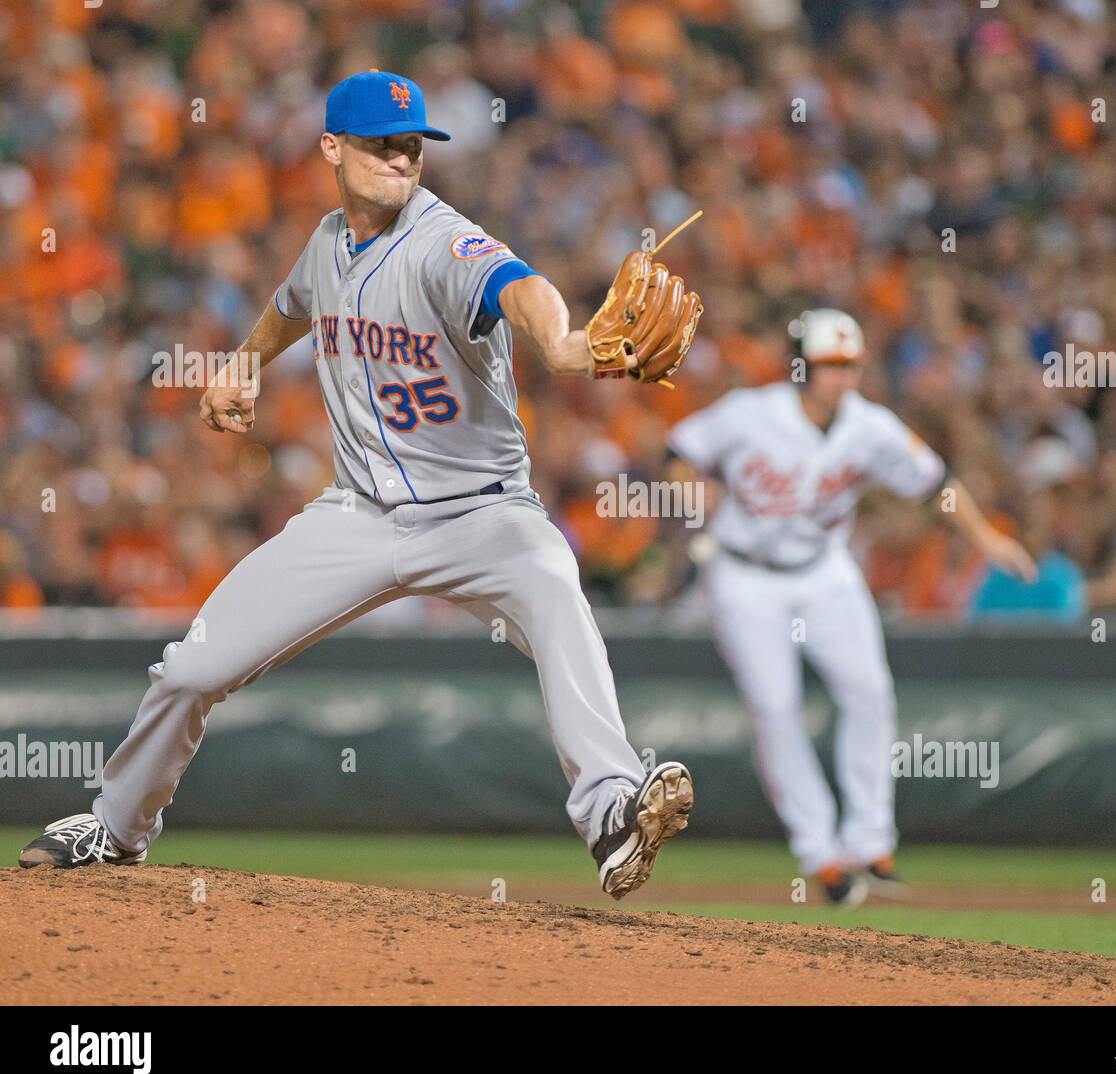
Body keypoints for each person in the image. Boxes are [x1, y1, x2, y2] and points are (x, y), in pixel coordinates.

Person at [19, 70, 694, 900]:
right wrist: (243, 364)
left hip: (481, 514)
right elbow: (292, 303)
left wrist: (561, 344)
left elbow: (520, 288)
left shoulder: (445, 242)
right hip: (357, 517)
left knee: (559, 599)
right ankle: (117, 829)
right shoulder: (325, 244)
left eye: (411, 144)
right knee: (192, 670)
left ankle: (613, 813)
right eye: (380, 143)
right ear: (332, 149)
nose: (400, 157)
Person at [666, 309, 1034, 904]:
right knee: (775, 708)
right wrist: (694, 490)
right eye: (830, 365)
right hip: (744, 576)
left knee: (869, 692)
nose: (843, 376)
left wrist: (986, 537)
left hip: (824, 572)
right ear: (800, 368)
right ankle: (821, 854)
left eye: (850, 365)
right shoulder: (751, 414)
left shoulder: (870, 427)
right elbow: (679, 449)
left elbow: (937, 481)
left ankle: (871, 844)